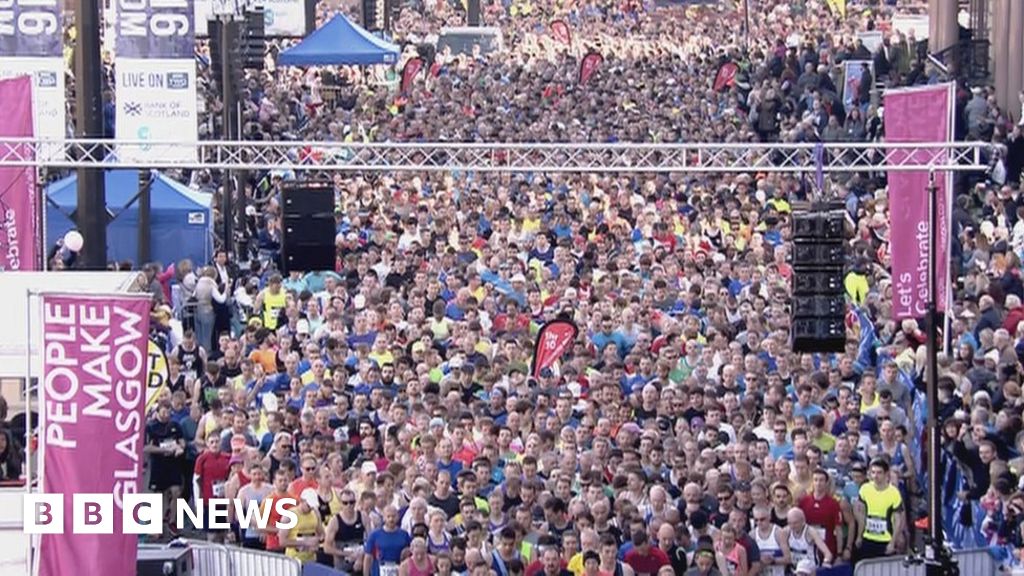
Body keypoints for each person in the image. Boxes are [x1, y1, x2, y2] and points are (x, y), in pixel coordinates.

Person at [855, 458, 904, 561]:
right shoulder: (865, 489)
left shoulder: (894, 493)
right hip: (868, 538)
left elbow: (898, 520)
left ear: (886, 474)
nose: (875, 476)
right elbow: (862, 515)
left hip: (885, 539)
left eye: (879, 473)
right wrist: (859, 536)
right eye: (873, 472)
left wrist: (893, 542)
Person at [364, 505, 412, 576]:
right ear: (383, 518)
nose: (391, 519)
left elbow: (409, 554)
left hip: (398, 570)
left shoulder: (404, 534)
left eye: (393, 516)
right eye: (388, 516)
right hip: (379, 570)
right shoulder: (375, 535)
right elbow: (368, 557)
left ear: (398, 517)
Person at [280, 488, 324, 564]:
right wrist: (304, 543)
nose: (311, 508)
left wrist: (317, 542)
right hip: (293, 561)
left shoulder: (315, 513)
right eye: (308, 506)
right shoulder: (289, 515)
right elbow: (282, 541)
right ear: (301, 501)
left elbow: (322, 535)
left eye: (312, 506)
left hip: (311, 560)